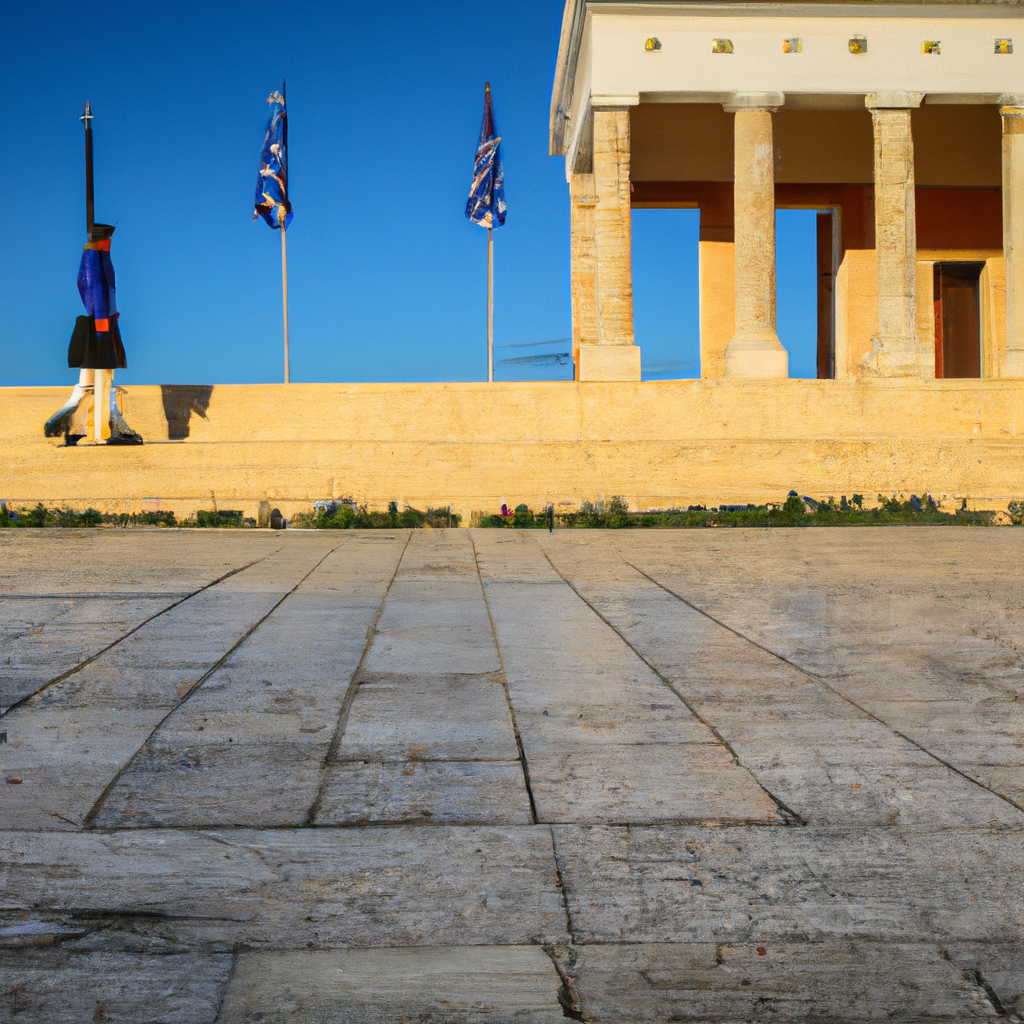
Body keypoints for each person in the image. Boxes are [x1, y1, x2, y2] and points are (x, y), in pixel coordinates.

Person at [44, 223, 142, 445]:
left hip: (105, 321)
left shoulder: (96, 257)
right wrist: (101, 324)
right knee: (102, 380)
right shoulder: (94, 257)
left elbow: (88, 283)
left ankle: (80, 428)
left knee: (93, 381)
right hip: (103, 324)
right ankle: (104, 430)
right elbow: (95, 286)